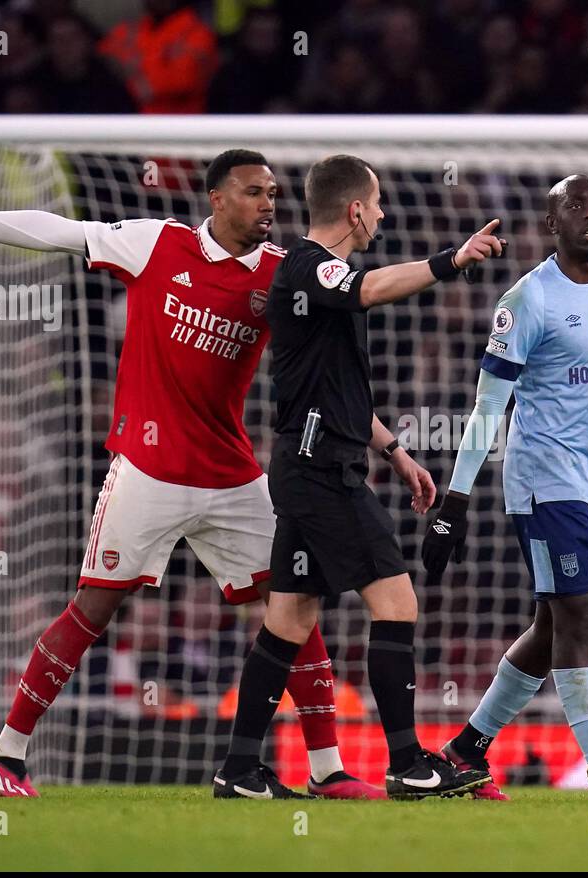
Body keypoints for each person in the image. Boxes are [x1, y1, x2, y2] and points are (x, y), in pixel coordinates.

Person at [0, 149, 384, 800]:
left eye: (273, 195)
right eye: (253, 192)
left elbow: (330, 375)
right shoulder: (156, 243)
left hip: (231, 473)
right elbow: (58, 231)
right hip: (148, 468)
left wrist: (391, 446)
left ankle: (326, 771)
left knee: (293, 607)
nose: (268, 205)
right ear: (217, 198)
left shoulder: (280, 275)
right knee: (95, 604)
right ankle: (6, 754)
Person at [214, 154, 503, 800]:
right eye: (375, 204)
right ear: (353, 209)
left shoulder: (315, 278)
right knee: (397, 603)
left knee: (288, 619)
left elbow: (336, 389)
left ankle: (237, 770)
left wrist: (396, 451)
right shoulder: (310, 265)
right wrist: (449, 261)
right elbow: (367, 288)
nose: (381, 214)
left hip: (311, 462)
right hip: (320, 473)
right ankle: (406, 761)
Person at [421, 174, 588, 802]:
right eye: (575, 205)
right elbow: (489, 407)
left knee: (549, 627)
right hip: (542, 479)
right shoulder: (527, 299)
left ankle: (464, 752)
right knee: (578, 617)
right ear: (550, 223)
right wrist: (454, 501)